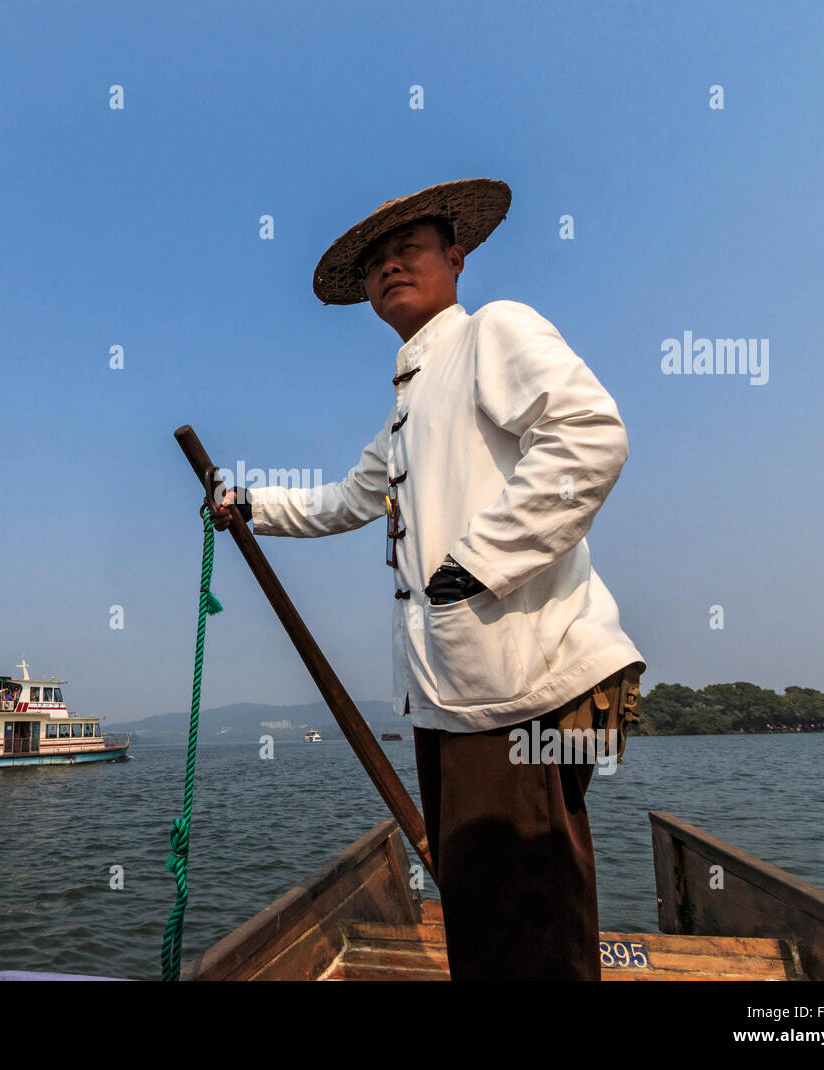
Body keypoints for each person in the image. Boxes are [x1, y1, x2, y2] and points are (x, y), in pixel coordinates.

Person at [212, 178, 646, 981]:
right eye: (374, 263)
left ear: (456, 256)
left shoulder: (494, 332)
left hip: (522, 681)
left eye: (406, 249)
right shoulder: (408, 404)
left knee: (526, 911)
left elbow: (589, 436)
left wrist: (473, 566)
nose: (388, 269)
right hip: (450, 690)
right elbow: (343, 499)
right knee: (486, 906)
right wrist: (246, 503)